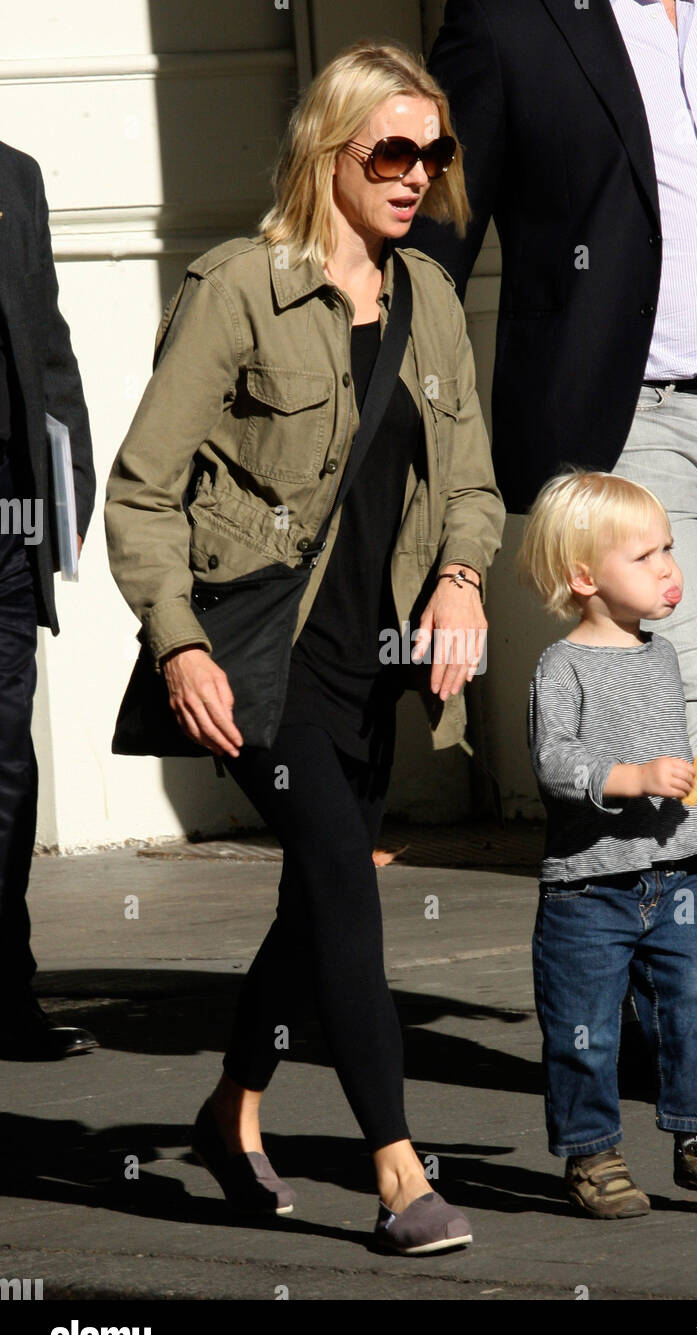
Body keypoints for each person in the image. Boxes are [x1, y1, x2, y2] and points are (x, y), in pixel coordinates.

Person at [406, 0, 697, 1105]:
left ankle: (640, 999)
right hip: (623, 430)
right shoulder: (509, 27)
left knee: (670, 732)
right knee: (693, 709)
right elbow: (436, 238)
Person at [105, 40, 505, 1255]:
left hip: (373, 664)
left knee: (312, 899)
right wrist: (178, 646)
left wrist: (460, 576)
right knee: (339, 879)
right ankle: (398, 1174)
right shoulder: (238, 290)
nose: (414, 174)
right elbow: (140, 489)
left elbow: (475, 485)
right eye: (391, 151)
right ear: (327, 152)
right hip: (258, 660)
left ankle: (232, 1111)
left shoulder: (430, 297)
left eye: (430, 154)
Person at [520, 471, 697, 1216]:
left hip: (676, 879)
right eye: (647, 555)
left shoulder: (661, 657)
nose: (670, 567)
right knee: (583, 1029)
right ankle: (592, 1156)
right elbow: (556, 763)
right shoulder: (559, 667)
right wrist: (632, 777)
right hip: (590, 889)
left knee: (695, 1010)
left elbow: (682, 763)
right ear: (585, 577)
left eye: (668, 549)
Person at [0, 142, 97, 1062]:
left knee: (5, 765)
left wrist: (69, 484)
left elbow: (48, 343)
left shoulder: (15, 176)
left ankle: (5, 992)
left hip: (8, 518)